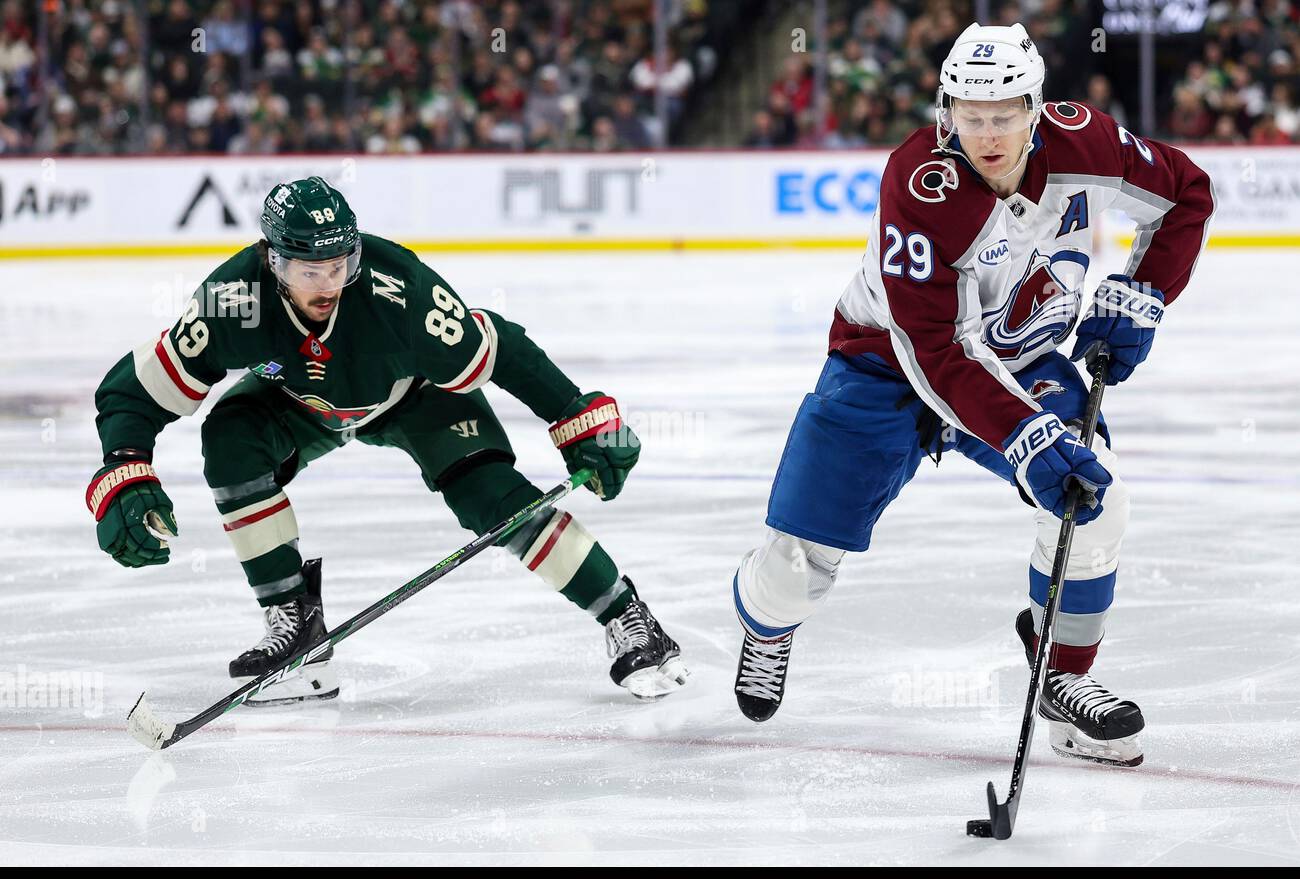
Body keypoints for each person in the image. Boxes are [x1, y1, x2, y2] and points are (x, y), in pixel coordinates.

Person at [730, 23, 1214, 767]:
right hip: (885, 366)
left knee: (1095, 499)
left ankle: (1063, 680)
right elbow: (936, 347)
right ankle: (766, 631)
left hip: (1020, 363)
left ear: (1036, 107)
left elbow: (1184, 192)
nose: (987, 133)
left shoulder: (1088, 147)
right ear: (945, 110)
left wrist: (1141, 294)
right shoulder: (920, 183)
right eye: (970, 114)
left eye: (1004, 113)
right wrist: (1024, 439)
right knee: (794, 569)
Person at [88, 177, 687, 705]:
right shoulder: (232, 301)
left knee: (492, 500)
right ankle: (294, 621)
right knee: (231, 435)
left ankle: (627, 615)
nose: (329, 284)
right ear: (272, 262)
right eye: (309, 271)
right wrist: (124, 470)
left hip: (416, 396)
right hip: (300, 403)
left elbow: (497, 345)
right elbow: (135, 391)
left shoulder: (398, 291)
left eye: (340, 266)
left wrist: (577, 415)